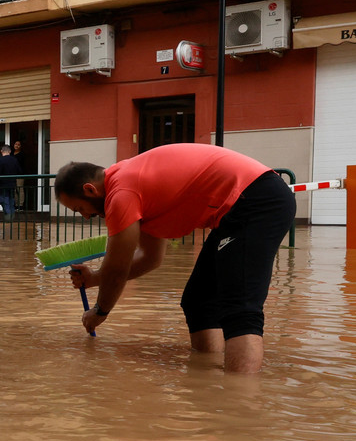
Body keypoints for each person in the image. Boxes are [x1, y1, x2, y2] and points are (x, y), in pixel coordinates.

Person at [53, 143, 295, 374]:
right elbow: (150, 258)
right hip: (238, 207)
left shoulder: (121, 193)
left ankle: (242, 402)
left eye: (80, 210)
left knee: (240, 307)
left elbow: (117, 268)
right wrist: (94, 278)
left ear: (89, 189)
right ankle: (207, 379)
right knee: (198, 301)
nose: (85, 217)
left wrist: (99, 311)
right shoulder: (136, 187)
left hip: (256, 199)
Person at [0, 144, 23, 219]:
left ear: (1, 151)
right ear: (10, 151)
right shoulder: (14, 160)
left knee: (4, 200)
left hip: (2, 185)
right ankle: (12, 216)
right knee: (11, 200)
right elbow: (19, 171)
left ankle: (8, 217)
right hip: (12, 184)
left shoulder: (0, 160)